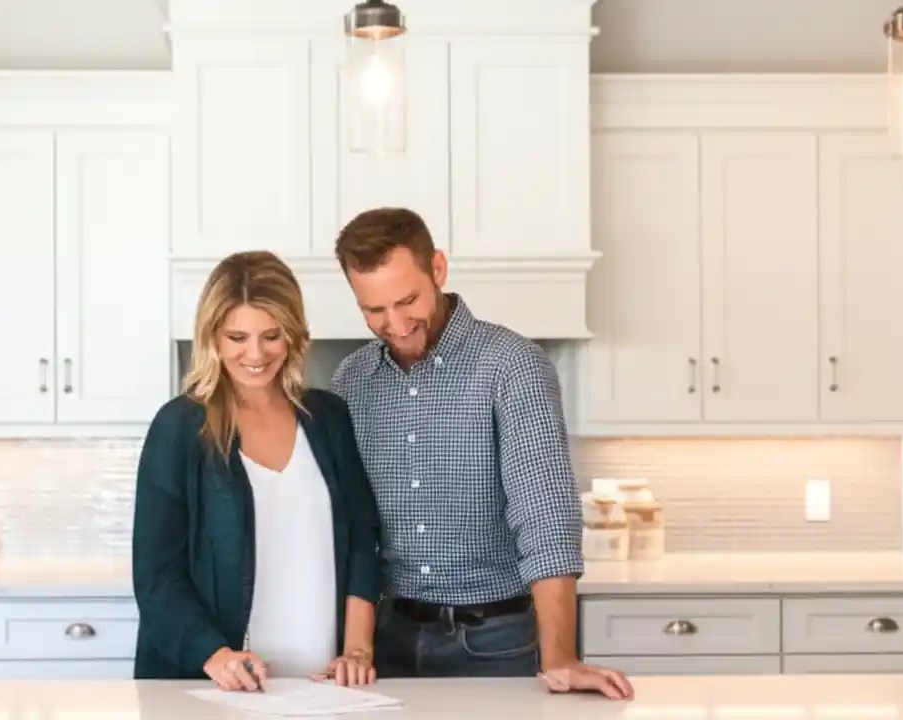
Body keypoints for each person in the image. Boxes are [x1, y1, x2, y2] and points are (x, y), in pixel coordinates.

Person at [328, 208, 634, 700]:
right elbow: (349, 528)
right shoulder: (351, 381)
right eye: (374, 310)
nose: (396, 324)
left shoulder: (512, 366)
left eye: (407, 301)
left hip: (496, 642)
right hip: (389, 642)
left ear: (439, 269)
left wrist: (560, 657)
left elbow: (545, 516)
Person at [132, 250, 385, 691]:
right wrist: (215, 656)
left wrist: (357, 650)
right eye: (237, 337)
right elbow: (157, 577)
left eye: (272, 335)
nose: (255, 354)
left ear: (293, 335)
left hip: (324, 689)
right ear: (212, 337)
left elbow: (363, 540)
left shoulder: (327, 418)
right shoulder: (179, 428)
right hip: (214, 688)